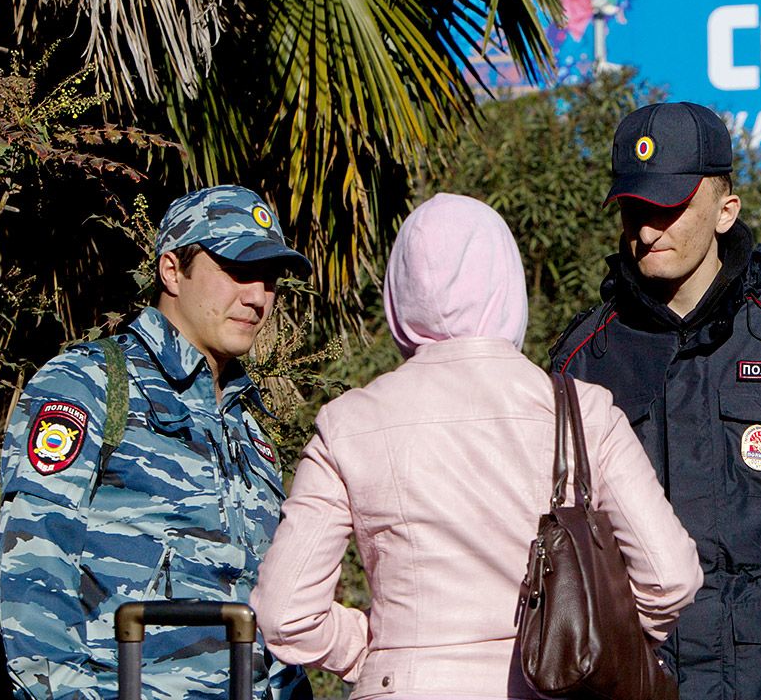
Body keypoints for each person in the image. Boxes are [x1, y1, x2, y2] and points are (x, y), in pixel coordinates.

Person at [251, 193, 702, 699]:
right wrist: (585, 640)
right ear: (508, 285)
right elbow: (671, 579)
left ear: (398, 295)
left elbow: (284, 612)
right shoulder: (583, 411)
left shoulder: (347, 423)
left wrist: (374, 649)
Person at [548, 101, 761, 698]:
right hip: (636, 676)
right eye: (635, 208)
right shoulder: (583, 359)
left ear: (725, 210)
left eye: (671, 207)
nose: (649, 229)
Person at [0, 185, 313, 699]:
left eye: (269, 279)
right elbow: (32, 564)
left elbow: (268, 602)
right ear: (171, 270)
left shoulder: (249, 429)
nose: (257, 296)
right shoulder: (91, 383)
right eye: (236, 269)